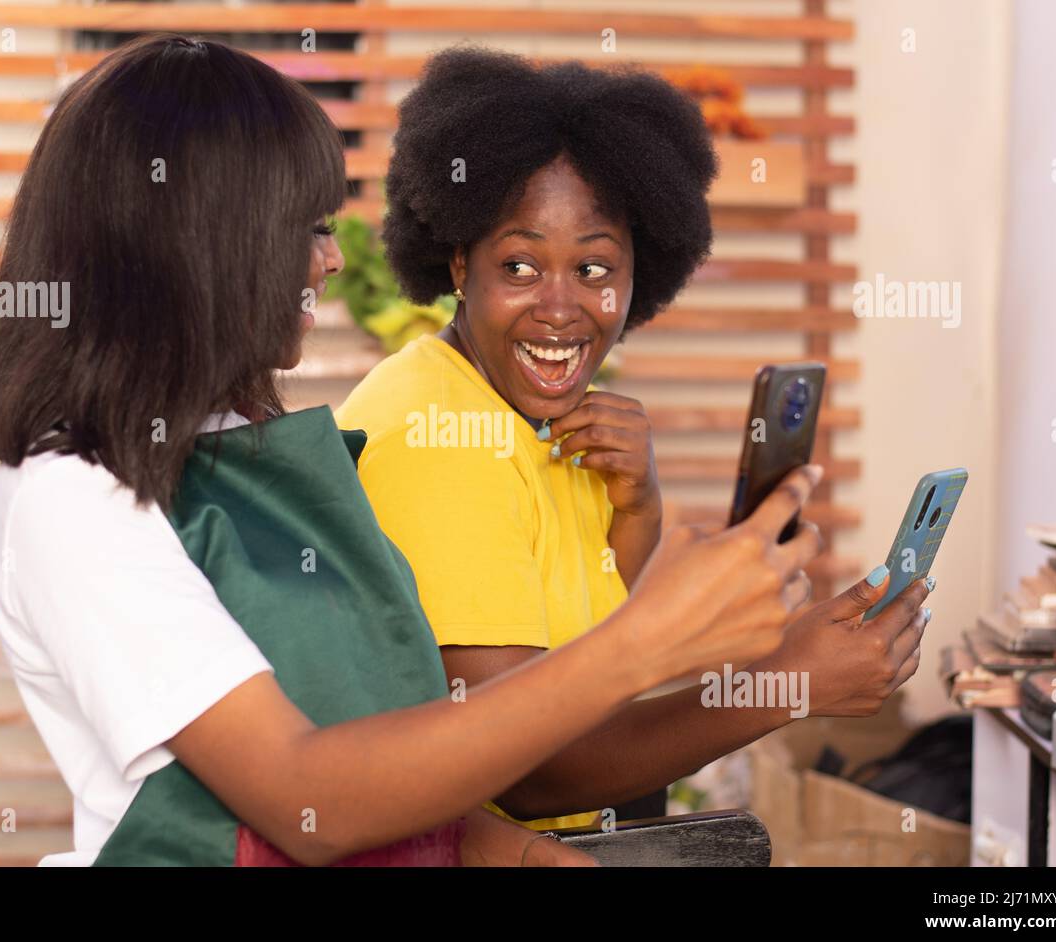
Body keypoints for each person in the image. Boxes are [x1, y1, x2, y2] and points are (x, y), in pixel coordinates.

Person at [0, 34, 821, 866]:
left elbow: (374, 740)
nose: (334, 260)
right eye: (307, 228)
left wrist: (513, 854)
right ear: (200, 243)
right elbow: (309, 802)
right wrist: (651, 644)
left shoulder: (229, 449)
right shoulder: (71, 501)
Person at [337, 47, 931, 830]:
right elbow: (530, 773)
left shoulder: (548, 420)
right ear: (458, 263)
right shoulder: (438, 436)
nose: (560, 307)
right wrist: (785, 685)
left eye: (594, 268)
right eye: (519, 265)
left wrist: (638, 509)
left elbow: (606, 663)